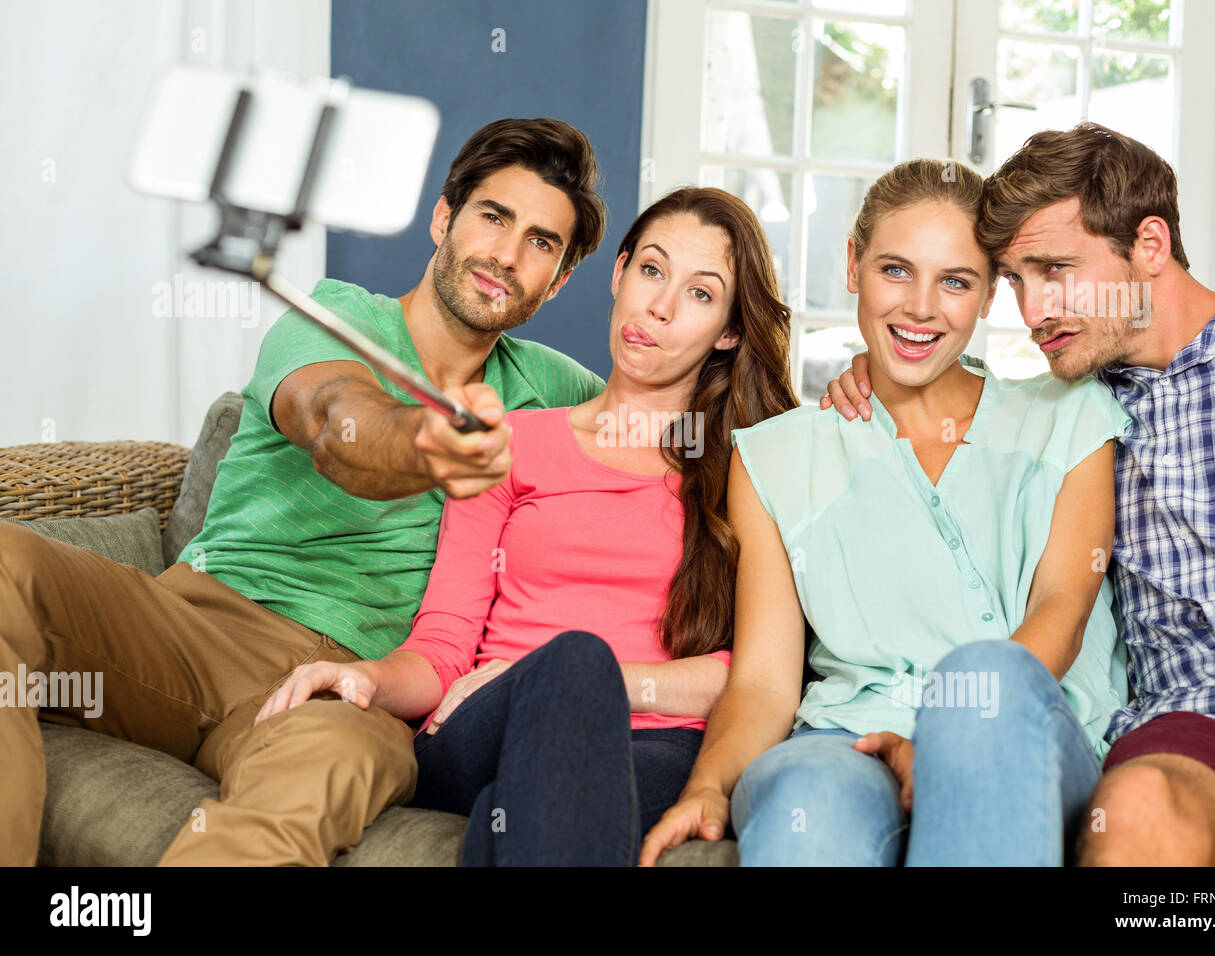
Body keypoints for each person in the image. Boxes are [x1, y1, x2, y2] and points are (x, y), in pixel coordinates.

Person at [0, 117, 611, 866]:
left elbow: (685, 428)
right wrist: (428, 444)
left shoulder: (559, 394)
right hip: (188, 630)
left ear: (560, 280)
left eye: (542, 244)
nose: (508, 256)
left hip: (345, 690)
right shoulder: (336, 319)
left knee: (329, 767)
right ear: (444, 218)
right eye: (494, 217)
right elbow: (334, 424)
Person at [259, 186, 800, 865]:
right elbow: (446, 644)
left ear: (727, 329)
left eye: (699, 294)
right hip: (484, 727)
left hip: (658, 740)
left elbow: (759, 675)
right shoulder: (513, 441)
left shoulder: (744, 467)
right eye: (652, 271)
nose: (658, 307)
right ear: (620, 272)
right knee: (569, 670)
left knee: (510, 811)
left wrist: (567, 674)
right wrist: (369, 678)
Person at [822, 123, 1215, 866]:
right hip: (1193, 719)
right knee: (1137, 819)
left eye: (1054, 270)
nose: (1034, 310)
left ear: (1148, 246)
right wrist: (875, 372)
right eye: (1013, 280)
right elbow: (938, 376)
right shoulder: (1065, 406)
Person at [641, 158, 1131, 867]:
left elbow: (1062, 606)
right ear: (853, 265)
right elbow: (764, 681)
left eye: (956, 281)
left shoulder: (1068, 416)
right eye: (896, 271)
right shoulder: (776, 458)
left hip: (1023, 734)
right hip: (848, 737)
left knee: (986, 700)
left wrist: (939, 738)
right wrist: (708, 785)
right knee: (811, 798)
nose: (920, 308)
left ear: (990, 293)